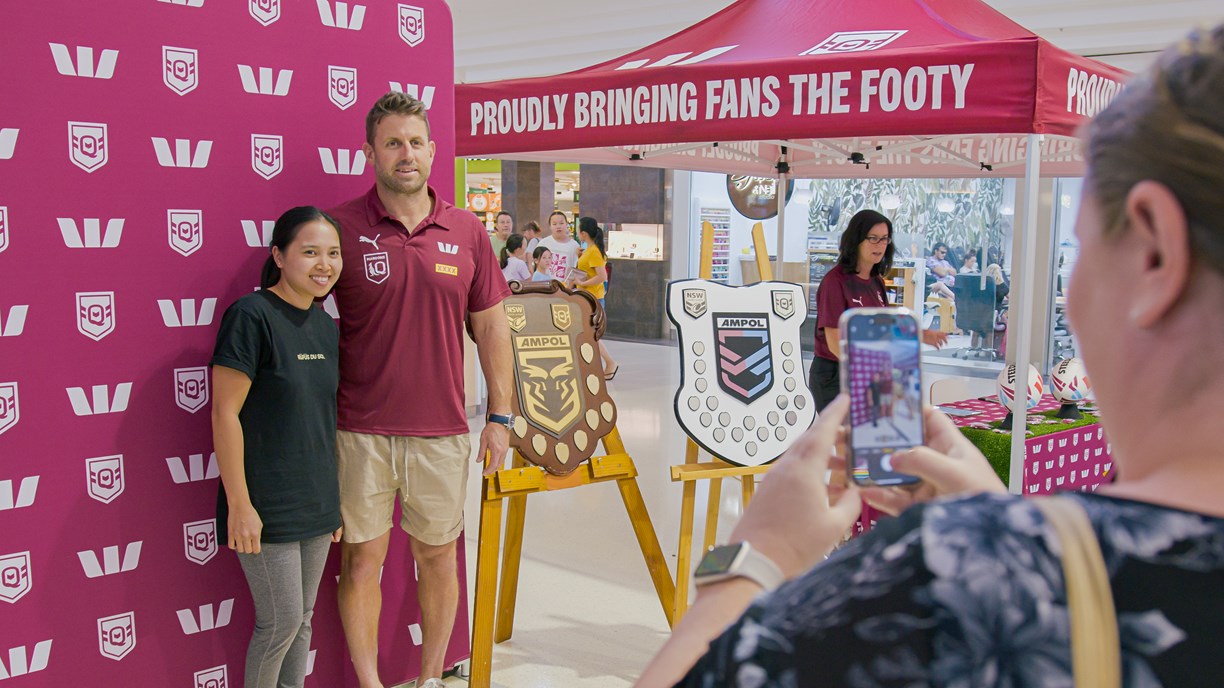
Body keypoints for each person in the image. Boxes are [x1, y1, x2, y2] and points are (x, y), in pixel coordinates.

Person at [640, 23, 1224, 687]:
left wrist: (759, 555)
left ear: (1155, 253)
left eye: (1085, 249)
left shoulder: (948, 578)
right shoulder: (838, 284)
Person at [326, 91, 513, 688]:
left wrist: (502, 418)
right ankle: (370, 683)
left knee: (437, 558)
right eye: (391, 143)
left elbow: (491, 330)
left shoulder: (467, 232)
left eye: (414, 142)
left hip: (442, 431)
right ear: (370, 153)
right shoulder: (339, 228)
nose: (404, 154)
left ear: (432, 152)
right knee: (362, 562)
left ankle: (432, 678)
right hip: (359, 432)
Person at [210, 206, 345, 688]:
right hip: (264, 503)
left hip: (316, 500)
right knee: (280, 623)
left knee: (304, 619)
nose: (324, 264)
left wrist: (332, 504)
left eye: (332, 253)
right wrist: (240, 505)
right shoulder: (251, 316)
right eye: (310, 252)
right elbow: (224, 413)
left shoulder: (326, 325)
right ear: (279, 256)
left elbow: (320, 420)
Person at [808, 209, 947, 411]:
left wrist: (920, 334)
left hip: (868, 373)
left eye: (884, 239)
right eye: (873, 238)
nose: (880, 245)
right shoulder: (835, 281)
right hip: (836, 375)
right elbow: (835, 342)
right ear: (855, 240)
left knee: (870, 439)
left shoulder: (876, 282)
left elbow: (885, 326)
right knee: (848, 440)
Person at [567, 216, 618, 379]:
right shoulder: (589, 250)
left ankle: (610, 362)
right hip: (588, 297)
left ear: (583, 233)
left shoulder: (594, 251)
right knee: (589, 334)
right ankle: (602, 364)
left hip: (593, 298)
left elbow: (602, 276)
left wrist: (582, 282)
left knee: (591, 335)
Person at [537, 210, 580, 282]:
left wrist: (568, 288)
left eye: (561, 223)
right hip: (545, 286)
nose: (558, 226)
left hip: (565, 288)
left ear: (566, 224)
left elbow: (575, 270)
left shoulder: (574, 246)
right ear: (550, 226)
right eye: (554, 224)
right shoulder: (543, 243)